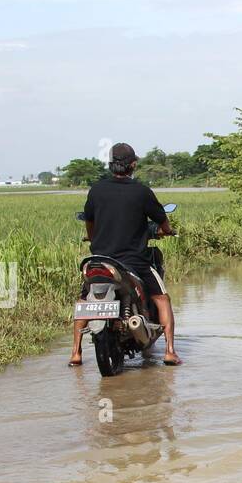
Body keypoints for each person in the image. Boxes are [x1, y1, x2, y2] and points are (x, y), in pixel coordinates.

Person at [72, 142, 181, 366]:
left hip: (99, 261)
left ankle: (75, 353)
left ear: (111, 165)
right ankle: (170, 351)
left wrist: (93, 239)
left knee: (85, 299)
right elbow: (163, 221)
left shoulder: (97, 190)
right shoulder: (142, 192)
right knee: (162, 298)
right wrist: (167, 231)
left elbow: (89, 221)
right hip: (134, 262)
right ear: (133, 165)